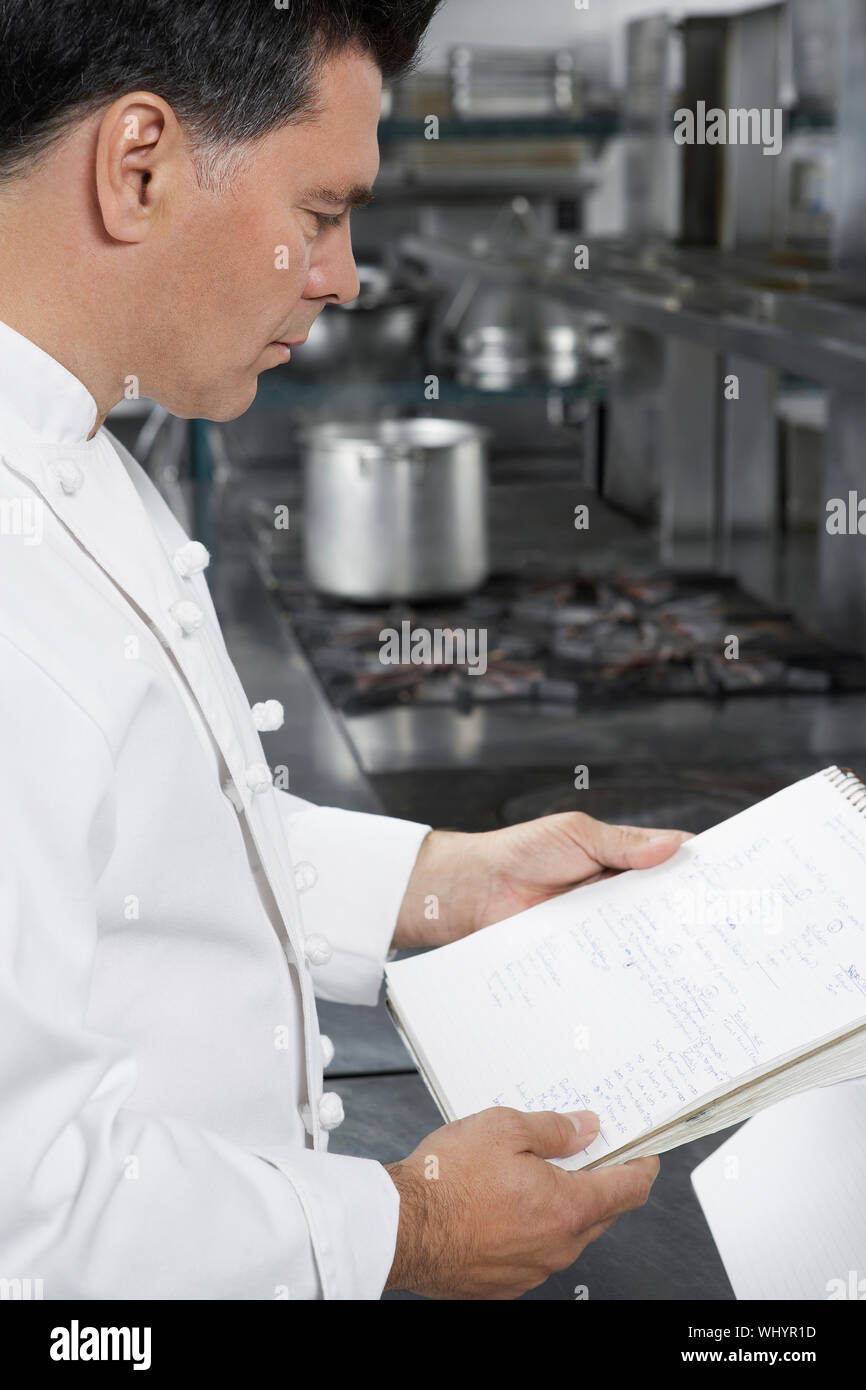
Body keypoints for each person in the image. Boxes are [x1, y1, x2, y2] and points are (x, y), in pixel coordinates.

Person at [0, 0, 688, 1300]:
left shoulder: (81, 439)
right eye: (320, 214)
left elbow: (144, 847)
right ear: (136, 165)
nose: (345, 275)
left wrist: (445, 879)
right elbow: (25, 1219)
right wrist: (403, 1228)